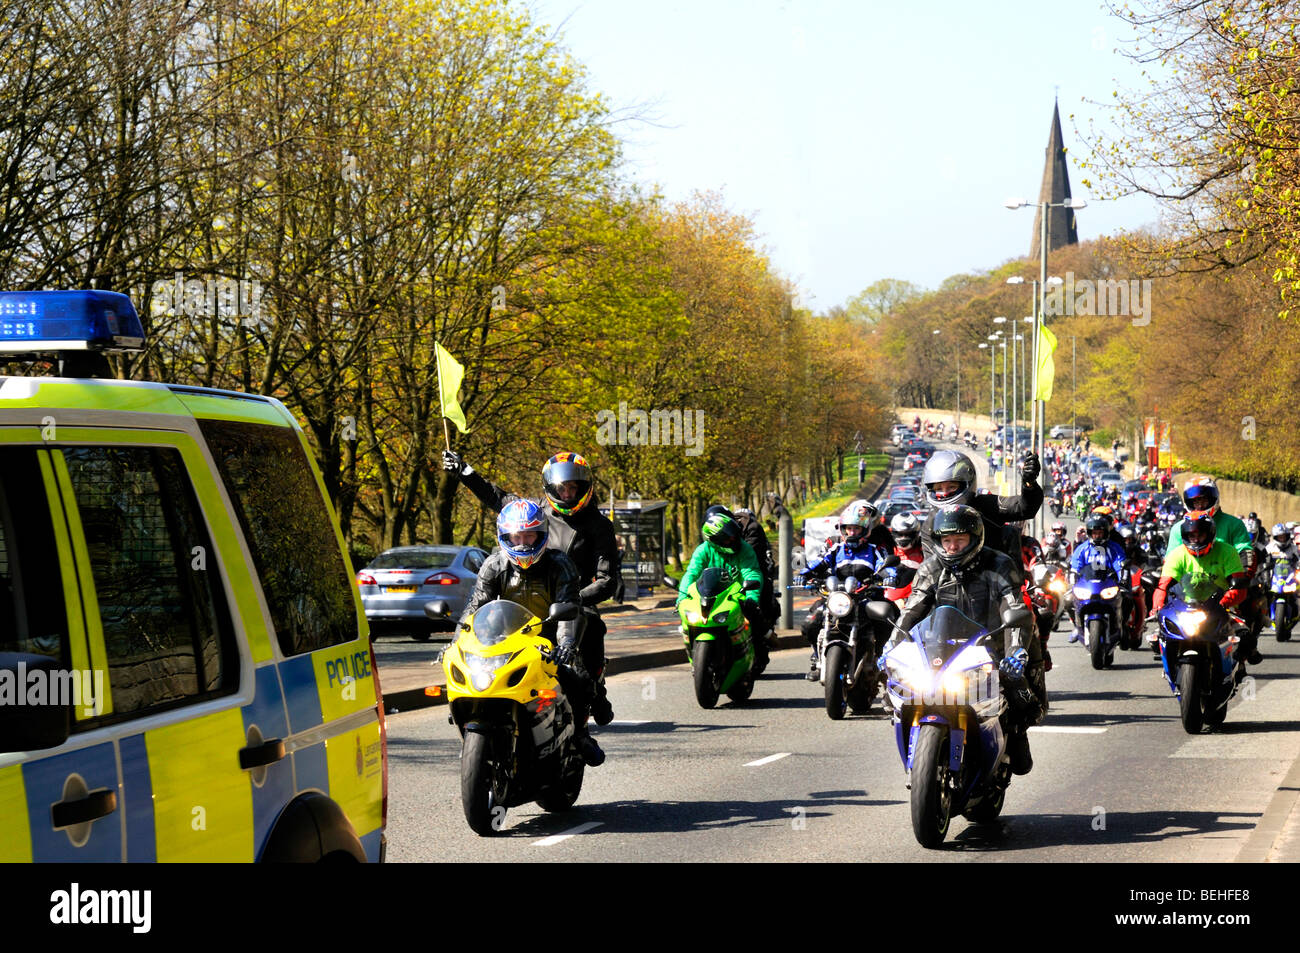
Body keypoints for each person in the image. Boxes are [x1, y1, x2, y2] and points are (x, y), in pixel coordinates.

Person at [443, 448, 621, 734]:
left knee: (591, 631)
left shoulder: (599, 526)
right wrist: (464, 472)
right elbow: (496, 497)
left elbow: (607, 580)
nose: (566, 494)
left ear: (584, 488)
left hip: (572, 599)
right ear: (550, 488)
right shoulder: (533, 511)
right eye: (561, 488)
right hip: (523, 603)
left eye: (573, 488)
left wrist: (573, 599)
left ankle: (592, 694)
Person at [885, 504, 1043, 775]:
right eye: (947, 540)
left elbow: (1015, 608)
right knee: (897, 682)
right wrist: (891, 645)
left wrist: (1015, 651)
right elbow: (912, 610)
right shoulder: (931, 568)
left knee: (1017, 687)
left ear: (975, 538)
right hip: (942, 645)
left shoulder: (1000, 565)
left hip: (991, 644)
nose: (953, 546)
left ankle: (1016, 731)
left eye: (959, 539)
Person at [459, 500, 605, 766]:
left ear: (542, 535)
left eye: (530, 535)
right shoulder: (493, 565)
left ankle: (580, 734)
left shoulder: (561, 564)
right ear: (505, 536)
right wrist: (458, 641)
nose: (523, 543)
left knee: (576, 677)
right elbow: (475, 607)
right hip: (506, 640)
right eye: (517, 536)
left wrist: (566, 644)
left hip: (549, 638)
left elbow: (569, 606)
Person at [1165, 477, 1262, 664]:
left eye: (1203, 500)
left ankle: (1247, 648)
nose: (1199, 504)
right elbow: (1171, 558)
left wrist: (1243, 575)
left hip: (1225, 586)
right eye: (1195, 502)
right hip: (1189, 591)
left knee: (1252, 599)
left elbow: (1245, 550)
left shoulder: (1233, 524)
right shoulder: (1179, 528)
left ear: (1214, 499)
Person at [918, 449, 1043, 588]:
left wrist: (1029, 484)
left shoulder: (986, 505)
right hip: (954, 591)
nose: (945, 493)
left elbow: (1024, 508)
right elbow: (931, 568)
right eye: (939, 488)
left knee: (1010, 532)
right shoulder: (930, 524)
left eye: (951, 487)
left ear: (967, 483)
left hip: (999, 588)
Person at [799, 501, 890, 680]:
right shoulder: (836, 548)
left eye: (856, 529)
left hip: (865, 598)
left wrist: (888, 575)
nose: (851, 533)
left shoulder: (875, 550)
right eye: (848, 529)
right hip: (837, 598)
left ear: (865, 530)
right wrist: (804, 574)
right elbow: (820, 561)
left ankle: (882, 659)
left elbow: (885, 565)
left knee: (887, 617)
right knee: (812, 621)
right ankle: (817, 658)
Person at [1150, 512, 1250, 663]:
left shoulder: (1228, 552)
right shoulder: (1176, 555)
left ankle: (1237, 667)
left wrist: (1224, 602)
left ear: (1210, 534)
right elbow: (1163, 586)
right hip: (1184, 610)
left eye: (1200, 535)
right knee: (1157, 638)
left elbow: (1239, 587)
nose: (1196, 540)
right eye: (1191, 536)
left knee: (1246, 639)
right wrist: (1157, 606)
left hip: (1222, 608)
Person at [677, 511, 767, 668]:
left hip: (737, 596)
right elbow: (691, 574)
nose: (734, 541)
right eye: (729, 539)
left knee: (754, 619)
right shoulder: (703, 551)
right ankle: (696, 657)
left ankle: (758, 654)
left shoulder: (744, 549)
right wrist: (682, 598)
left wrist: (751, 597)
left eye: (735, 536)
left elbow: (751, 572)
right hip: (709, 596)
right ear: (715, 540)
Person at [1066, 512, 1128, 643]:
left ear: (1106, 533)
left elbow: (1121, 566)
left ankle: (1121, 626)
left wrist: (1123, 580)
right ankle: (1077, 626)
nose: (1097, 536)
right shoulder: (1082, 549)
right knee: (1067, 600)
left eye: (1100, 533)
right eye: (1094, 533)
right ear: (1089, 533)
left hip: (1108, 585)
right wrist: (1072, 583)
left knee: (1127, 599)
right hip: (1087, 585)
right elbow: (1074, 568)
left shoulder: (1114, 548)